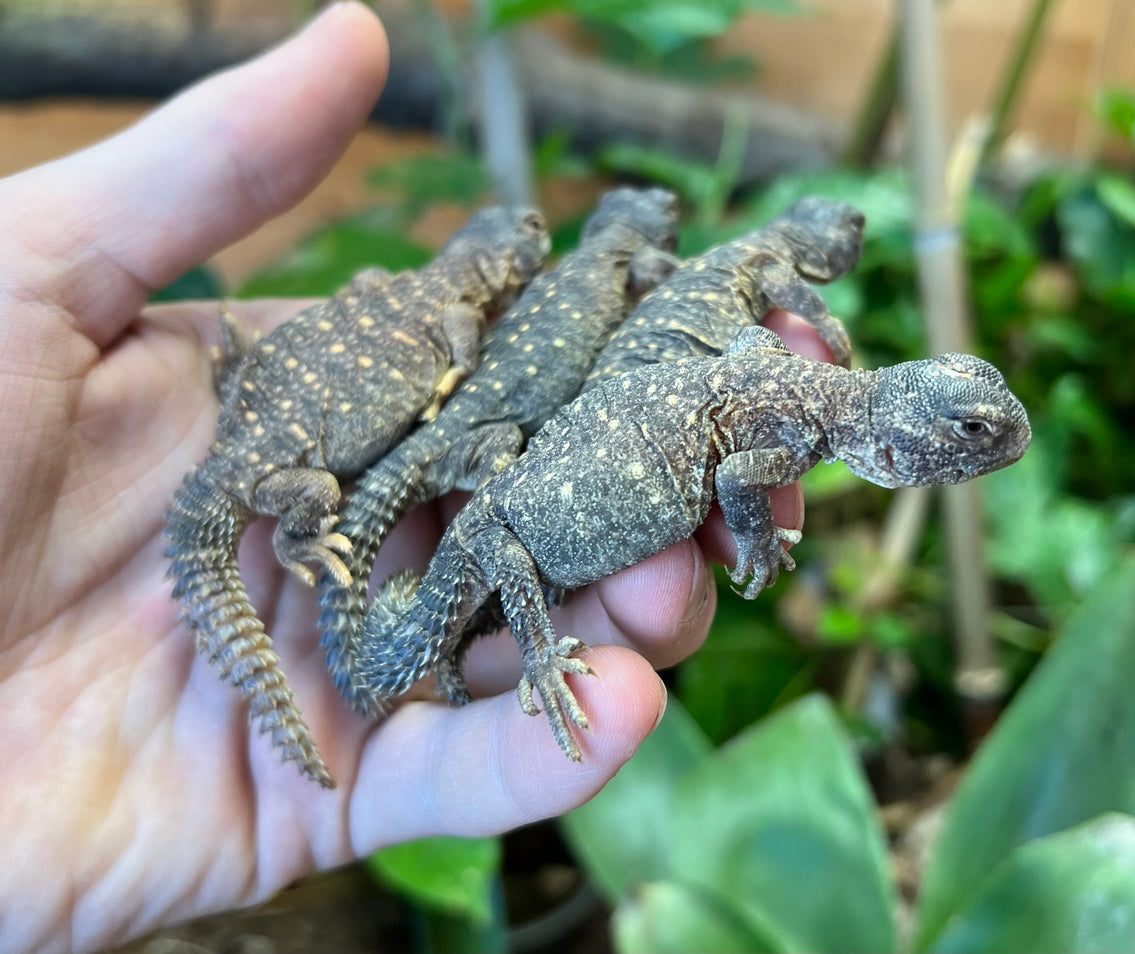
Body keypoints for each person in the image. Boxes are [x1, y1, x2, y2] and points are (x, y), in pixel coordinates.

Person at [0, 4, 831, 950]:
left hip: (429, 446)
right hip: (447, 453)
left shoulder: (438, 303)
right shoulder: (482, 319)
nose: (527, 253)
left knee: (573, 590)